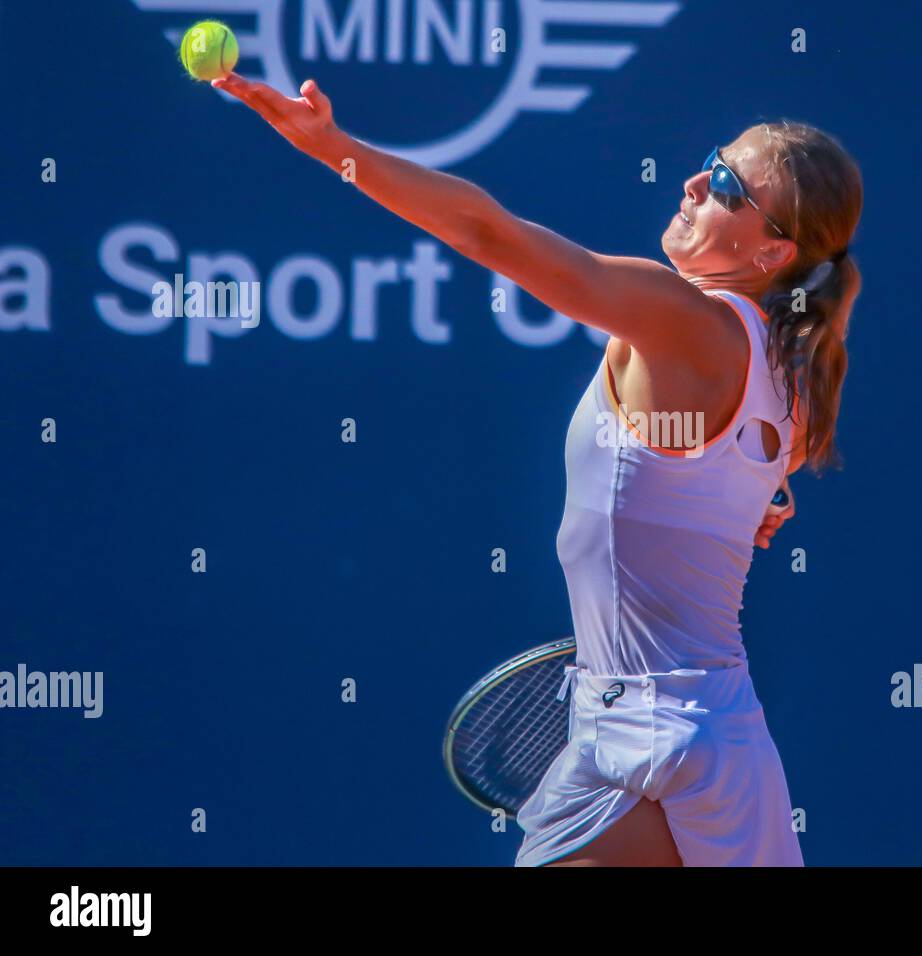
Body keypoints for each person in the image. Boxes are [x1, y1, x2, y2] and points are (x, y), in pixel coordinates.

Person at [214, 73, 863, 866]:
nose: (694, 182)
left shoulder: (682, 319)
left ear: (773, 251)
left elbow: (487, 233)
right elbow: (738, 478)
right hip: (730, 755)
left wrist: (335, 150)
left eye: (726, 184)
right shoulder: (794, 381)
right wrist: (749, 507)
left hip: (634, 746)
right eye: (709, 161)